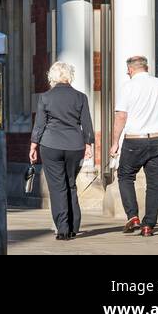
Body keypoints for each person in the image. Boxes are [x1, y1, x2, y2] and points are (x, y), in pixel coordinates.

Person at [109, 55, 158, 237]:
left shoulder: (128, 87)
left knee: (125, 176)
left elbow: (120, 116)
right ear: (146, 67)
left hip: (135, 140)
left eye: (127, 71)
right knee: (155, 184)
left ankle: (133, 215)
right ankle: (148, 225)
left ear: (131, 70)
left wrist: (115, 142)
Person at [29, 61, 95, 240]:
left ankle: (63, 228)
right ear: (69, 76)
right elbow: (87, 124)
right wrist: (89, 145)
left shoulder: (45, 97)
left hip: (50, 145)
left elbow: (40, 124)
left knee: (57, 187)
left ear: (52, 77)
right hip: (75, 146)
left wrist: (33, 145)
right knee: (71, 184)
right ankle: (74, 226)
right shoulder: (81, 97)